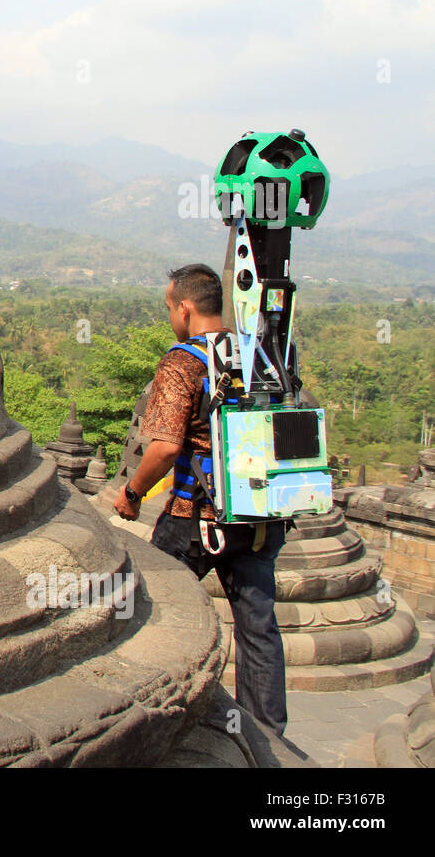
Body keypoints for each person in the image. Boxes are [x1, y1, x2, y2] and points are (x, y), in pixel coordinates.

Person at [113, 263, 288, 735]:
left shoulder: (183, 362)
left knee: (156, 610)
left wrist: (131, 493)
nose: (170, 315)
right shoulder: (260, 352)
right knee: (259, 628)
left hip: (194, 518)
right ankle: (266, 735)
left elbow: (166, 448)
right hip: (258, 516)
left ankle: (158, 719)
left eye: (170, 307)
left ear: (185, 308)